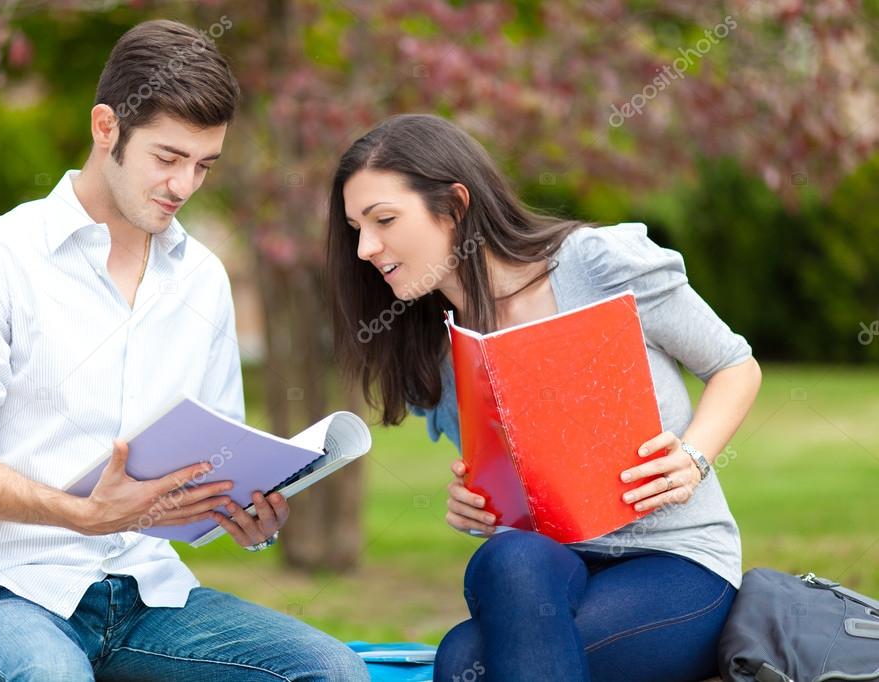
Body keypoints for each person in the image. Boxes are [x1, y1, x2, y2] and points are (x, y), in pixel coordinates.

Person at [0, 19, 368, 682]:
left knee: (331, 672)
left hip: (151, 597)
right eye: (167, 157)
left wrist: (251, 516)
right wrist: (81, 515)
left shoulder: (203, 279)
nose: (184, 185)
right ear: (107, 128)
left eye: (203, 165)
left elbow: (215, 455)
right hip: (14, 594)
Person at [325, 113, 762, 681]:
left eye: (383, 219)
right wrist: (475, 502)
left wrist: (695, 458)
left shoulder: (595, 263)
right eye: (356, 227)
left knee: (464, 661)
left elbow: (734, 364)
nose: (365, 247)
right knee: (507, 555)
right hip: (545, 568)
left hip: (675, 561)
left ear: (455, 206)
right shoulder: (440, 342)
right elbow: (514, 489)